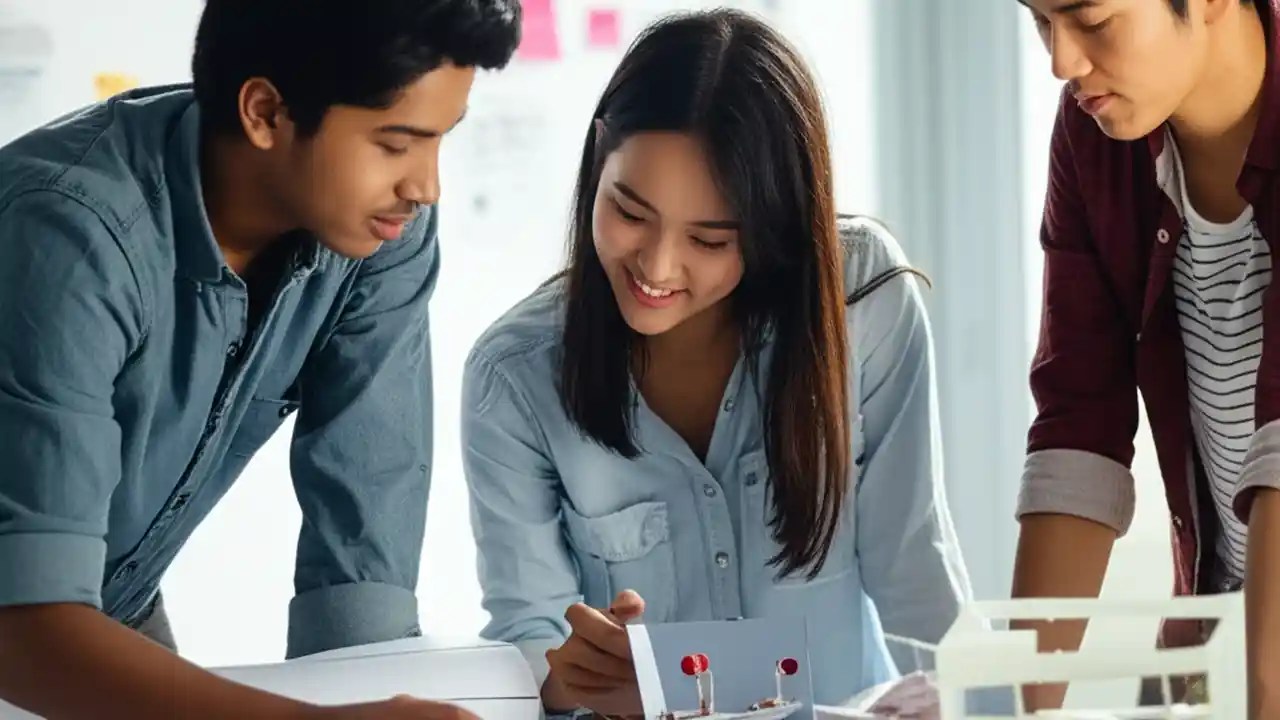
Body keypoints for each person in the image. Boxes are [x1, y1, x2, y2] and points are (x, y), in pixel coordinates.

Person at [0, 1, 518, 718]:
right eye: (396, 143)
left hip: (105, 606)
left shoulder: (384, 235)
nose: (425, 185)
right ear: (266, 112)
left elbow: (362, 546)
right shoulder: (70, 236)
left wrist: (367, 697)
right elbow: (25, 628)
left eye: (440, 141)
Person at [461, 9, 979, 717]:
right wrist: (574, 670)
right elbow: (528, 640)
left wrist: (977, 701)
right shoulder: (513, 376)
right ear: (596, 161)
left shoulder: (862, 302)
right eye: (630, 212)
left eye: (709, 239)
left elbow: (915, 566)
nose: (657, 265)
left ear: (772, 229)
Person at [1012, 0, 1280, 716]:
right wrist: (1025, 705)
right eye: (1040, 21)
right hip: (1216, 637)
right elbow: (1077, 424)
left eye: (1092, 19)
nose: (1061, 62)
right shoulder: (1095, 136)